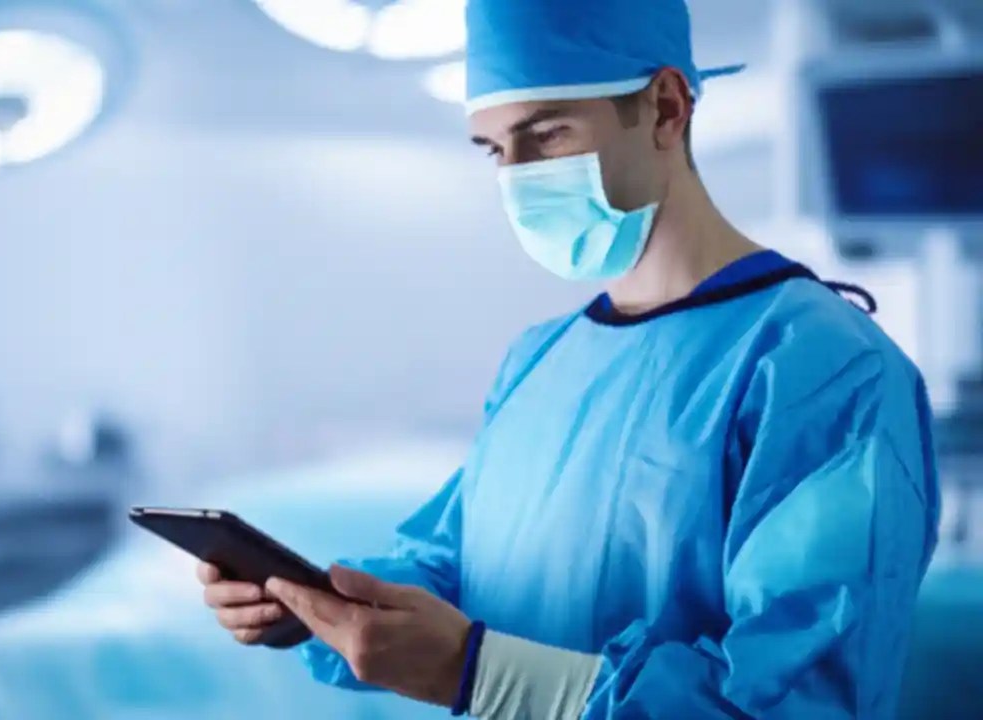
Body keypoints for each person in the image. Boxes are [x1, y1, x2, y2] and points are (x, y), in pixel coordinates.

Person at [198, 0, 940, 717]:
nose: (518, 177)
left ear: (666, 107)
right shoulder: (541, 358)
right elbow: (460, 567)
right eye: (496, 150)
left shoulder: (826, 368)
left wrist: (480, 674)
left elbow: (796, 700)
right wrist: (309, 604)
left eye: (547, 134)